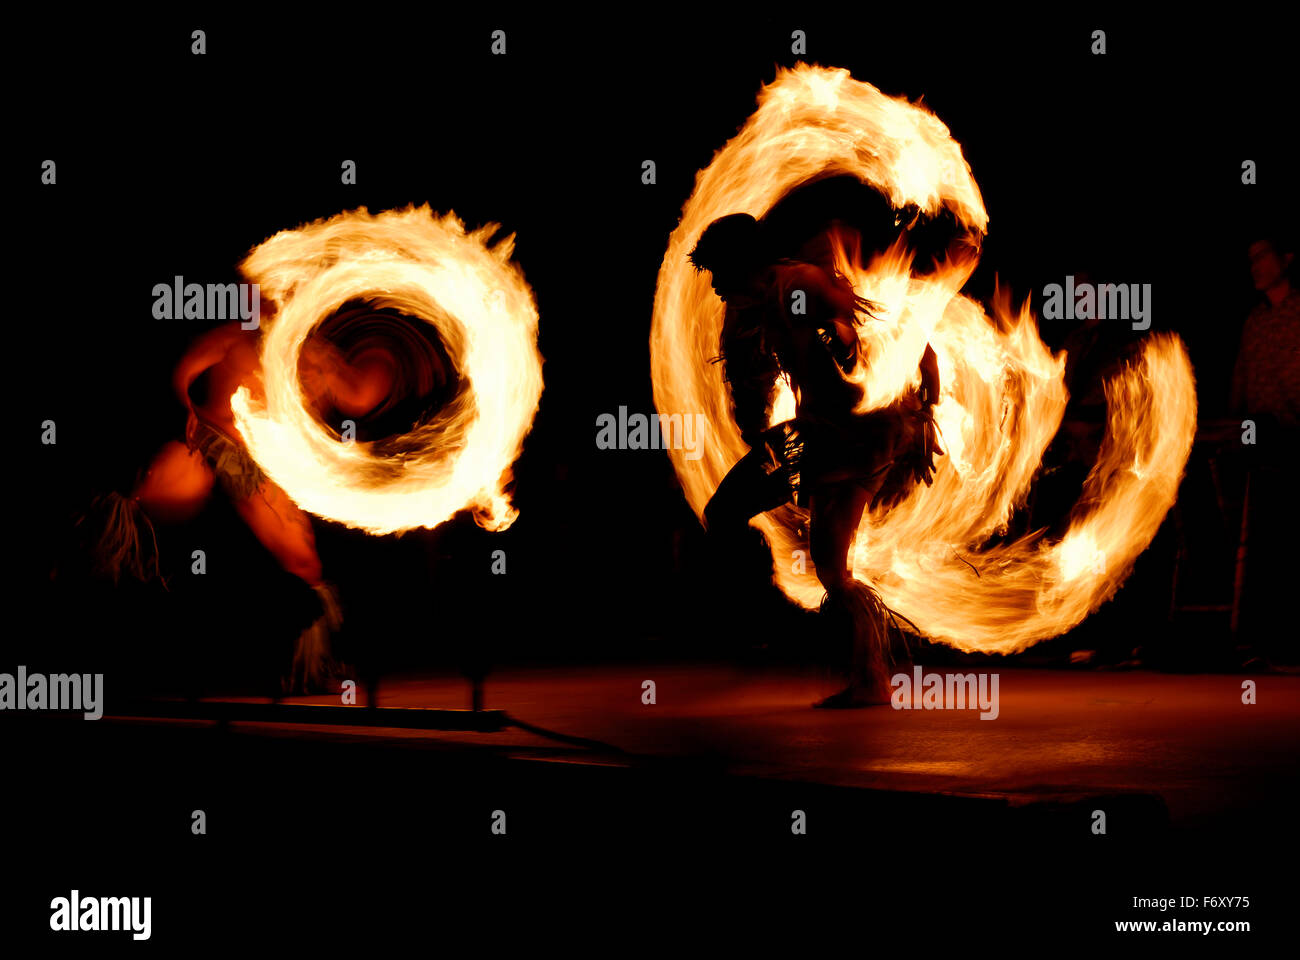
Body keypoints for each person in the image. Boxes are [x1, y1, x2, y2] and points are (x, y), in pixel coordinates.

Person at [692, 213, 942, 707]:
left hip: (844, 436)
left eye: (718, 273)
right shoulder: (770, 297)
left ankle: (772, 634)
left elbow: (872, 329)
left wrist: (843, 343)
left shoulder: (796, 285)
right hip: (842, 437)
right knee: (824, 561)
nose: (716, 287)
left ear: (742, 263)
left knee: (728, 516)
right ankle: (863, 674)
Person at [82, 313, 396, 693]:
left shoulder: (314, 353)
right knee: (155, 485)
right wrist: (183, 404)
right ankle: (93, 551)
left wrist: (386, 360)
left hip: (265, 462)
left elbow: (358, 395)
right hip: (218, 439)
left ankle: (307, 666)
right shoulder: (235, 337)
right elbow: (182, 370)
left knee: (302, 559)